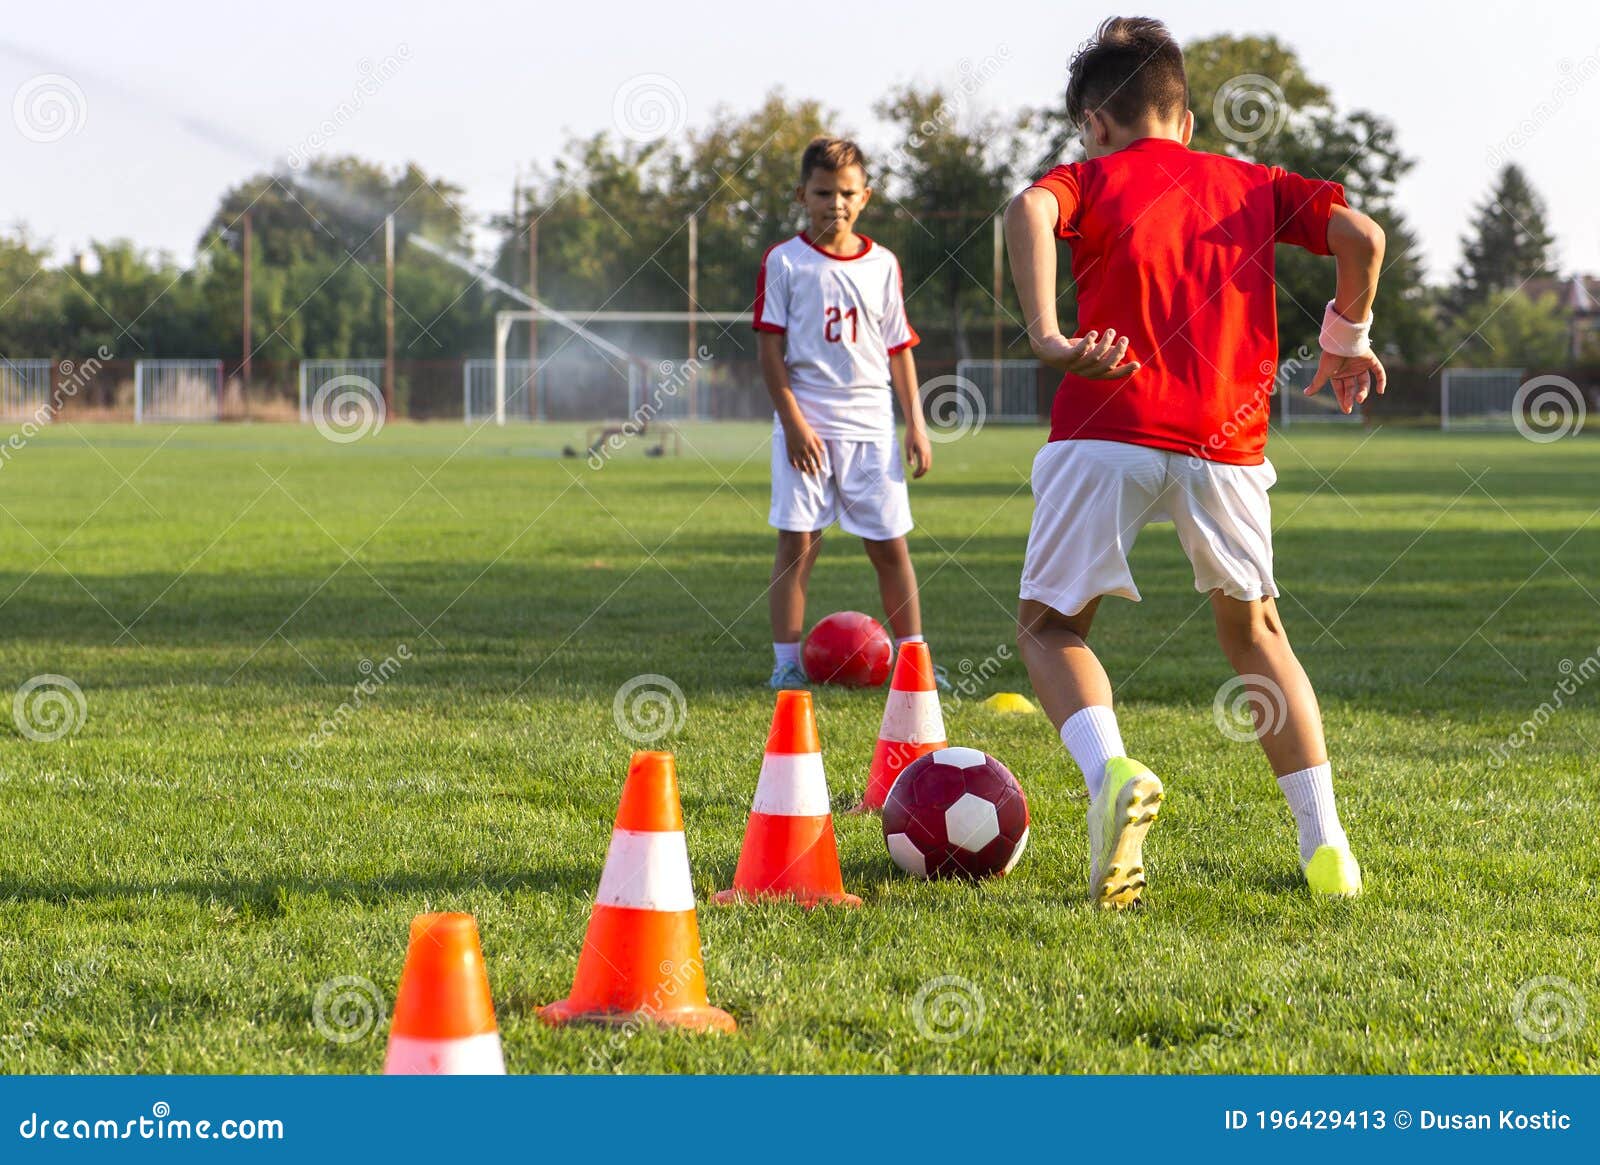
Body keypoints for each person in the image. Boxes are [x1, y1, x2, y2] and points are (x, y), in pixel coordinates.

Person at [1004, 16, 1386, 907]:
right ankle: (1325, 843)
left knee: (1051, 627)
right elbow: (1362, 237)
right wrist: (1346, 335)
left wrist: (1049, 335)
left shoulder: (1090, 177)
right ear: (1184, 114)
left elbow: (1028, 208)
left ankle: (1109, 776)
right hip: (1226, 440)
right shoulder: (1249, 182)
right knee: (1256, 636)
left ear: (1096, 124)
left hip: (1106, 419)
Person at [754, 136, 941, 689]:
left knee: (889, 546)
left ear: (865, 197)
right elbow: (769, 351)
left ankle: (914, 664)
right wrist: (793, 424)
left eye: (846, 192)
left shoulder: (883, 263)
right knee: (797, 547)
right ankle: (786, 666)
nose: (835, 202)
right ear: (802, 195)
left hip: (870, 427)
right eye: (823, 192)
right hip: (807, 426)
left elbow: (898, 348)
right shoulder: (785, 261)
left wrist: (917, 423)